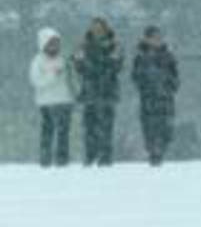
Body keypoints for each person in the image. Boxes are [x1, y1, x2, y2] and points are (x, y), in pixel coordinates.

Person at [74, 17, 124, 166]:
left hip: (108, 90)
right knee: (89, 126)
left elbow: (116, 66)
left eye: (100, 28)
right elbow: (79, 67)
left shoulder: (114, 45)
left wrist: (99, 65)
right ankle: (90, 155)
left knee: (106, 126)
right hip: (89, 90)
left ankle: (105, 157)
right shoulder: (83, 45)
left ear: (105, 29)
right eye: (94, 28)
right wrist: (84, 63)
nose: (97, 31)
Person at [131, 25, 179, 166]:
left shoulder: (168, 56)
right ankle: (153, 151)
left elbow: (175, 76)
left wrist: (169, 84)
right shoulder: (140, 56)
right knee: (150, 127)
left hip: (165, 97)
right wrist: (146, 82)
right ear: (146, 39)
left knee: (166, 128)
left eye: (158, 37)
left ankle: (160, 149)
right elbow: (135, 76)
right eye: (153, 37)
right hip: (148, 97)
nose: (156, 40)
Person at [29, 28, 77, 168]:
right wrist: (53, 75)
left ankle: (62, 160)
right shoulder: (37, 61)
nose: (54, 46)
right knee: (48, 131)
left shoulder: (64, 58)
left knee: (63, 133)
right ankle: (45, 160)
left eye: (56, 43)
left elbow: (72, 77)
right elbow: (36, 81)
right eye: (51, 43)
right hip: (47, 102)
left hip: (65, 100)